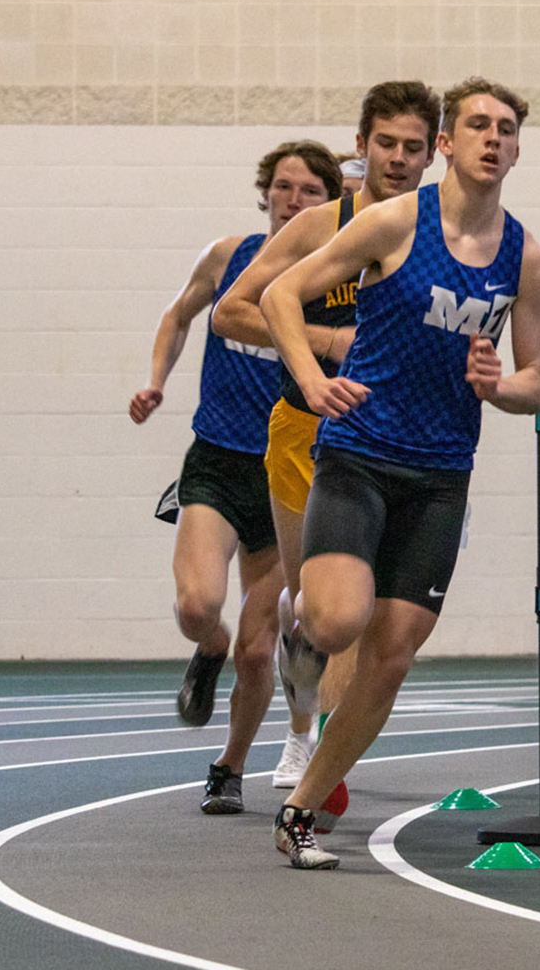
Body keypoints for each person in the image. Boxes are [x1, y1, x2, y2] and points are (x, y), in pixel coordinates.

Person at [258, 78, 540, 868]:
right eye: (478, 126)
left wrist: (499, 387)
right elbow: (282, 292)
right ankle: (300, 623)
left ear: (517, 148)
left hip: (441, 474)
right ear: (447, 145)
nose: (493, 138)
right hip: (359, 453)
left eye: (507, 128)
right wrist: (313, 379)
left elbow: (536, 384)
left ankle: (300, 808)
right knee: (338, 622)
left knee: (391, 655)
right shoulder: (395, 221)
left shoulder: (526, 256)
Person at [211, 82, 441, 809]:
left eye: (414, 148)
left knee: (362, 616)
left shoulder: (440, 236)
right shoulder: (317, 228)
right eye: (387, 145)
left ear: (435, 153)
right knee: (312, 606)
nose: (399, 160)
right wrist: (329, 340)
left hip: (400, 440)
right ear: (361, 145)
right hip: (305, 433)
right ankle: (303, 713)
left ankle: (317, 753)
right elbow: (233, 312)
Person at [128, 140, 341, 815]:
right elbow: (179, 313)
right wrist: (155, 381)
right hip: (218, 461)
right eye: (283, 186)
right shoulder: (229, 257)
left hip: (286, 468)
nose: (294, 199)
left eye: (310, 190)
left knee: (260, 648)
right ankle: (206, 649)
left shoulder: (334, 275)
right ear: (265, 191)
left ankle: (230, 765)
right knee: (197, 607)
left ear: (329, 200)